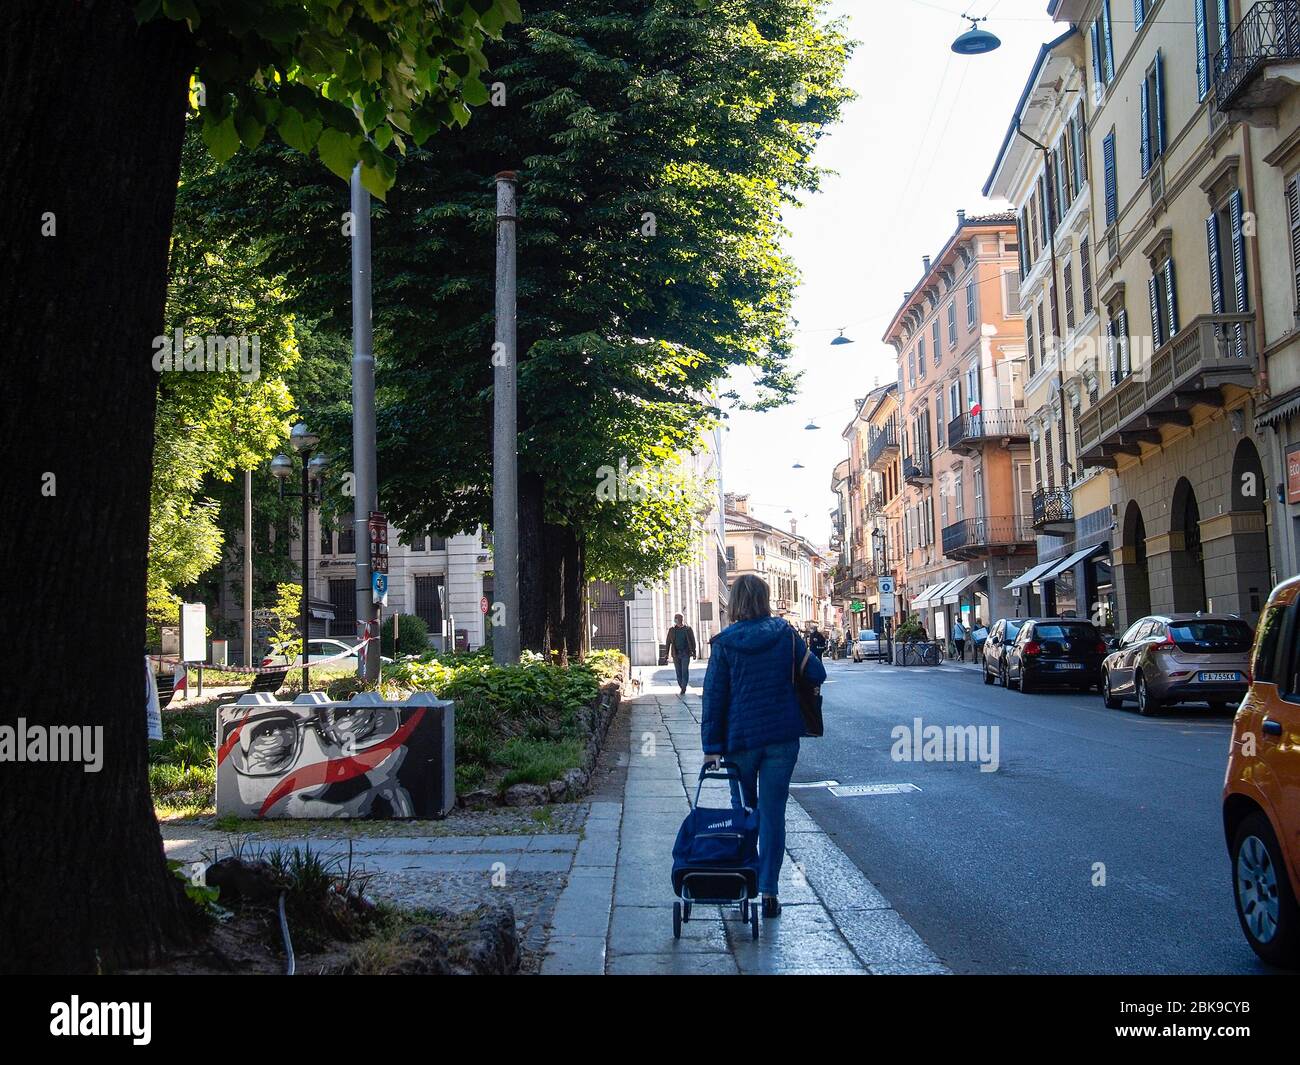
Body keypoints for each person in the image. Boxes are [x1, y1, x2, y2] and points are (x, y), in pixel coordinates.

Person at [701, 574, 826, 919]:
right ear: (766, 598)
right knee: (773, 815)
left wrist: (711, 747)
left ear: (736, 603)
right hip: (781, 738)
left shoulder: (724, 643)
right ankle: (769, 891)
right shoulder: (785, 634)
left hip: (739, 741)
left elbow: (714, 697)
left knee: (743, 814)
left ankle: (743, 884)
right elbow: (816, 674)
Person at [665, 613, 697, 696]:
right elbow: (668, 642)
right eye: (675, 618)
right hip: (676, 654)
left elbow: (693, 641)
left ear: (681, 619)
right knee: (678, 671)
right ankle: (681, 685)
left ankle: (684, 686)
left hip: (685, 653)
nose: (675, 619)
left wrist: (694, 652)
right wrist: (666, 654)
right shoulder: (672, 630)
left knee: (684, 670)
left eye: (676, 618)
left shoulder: (688, 629)